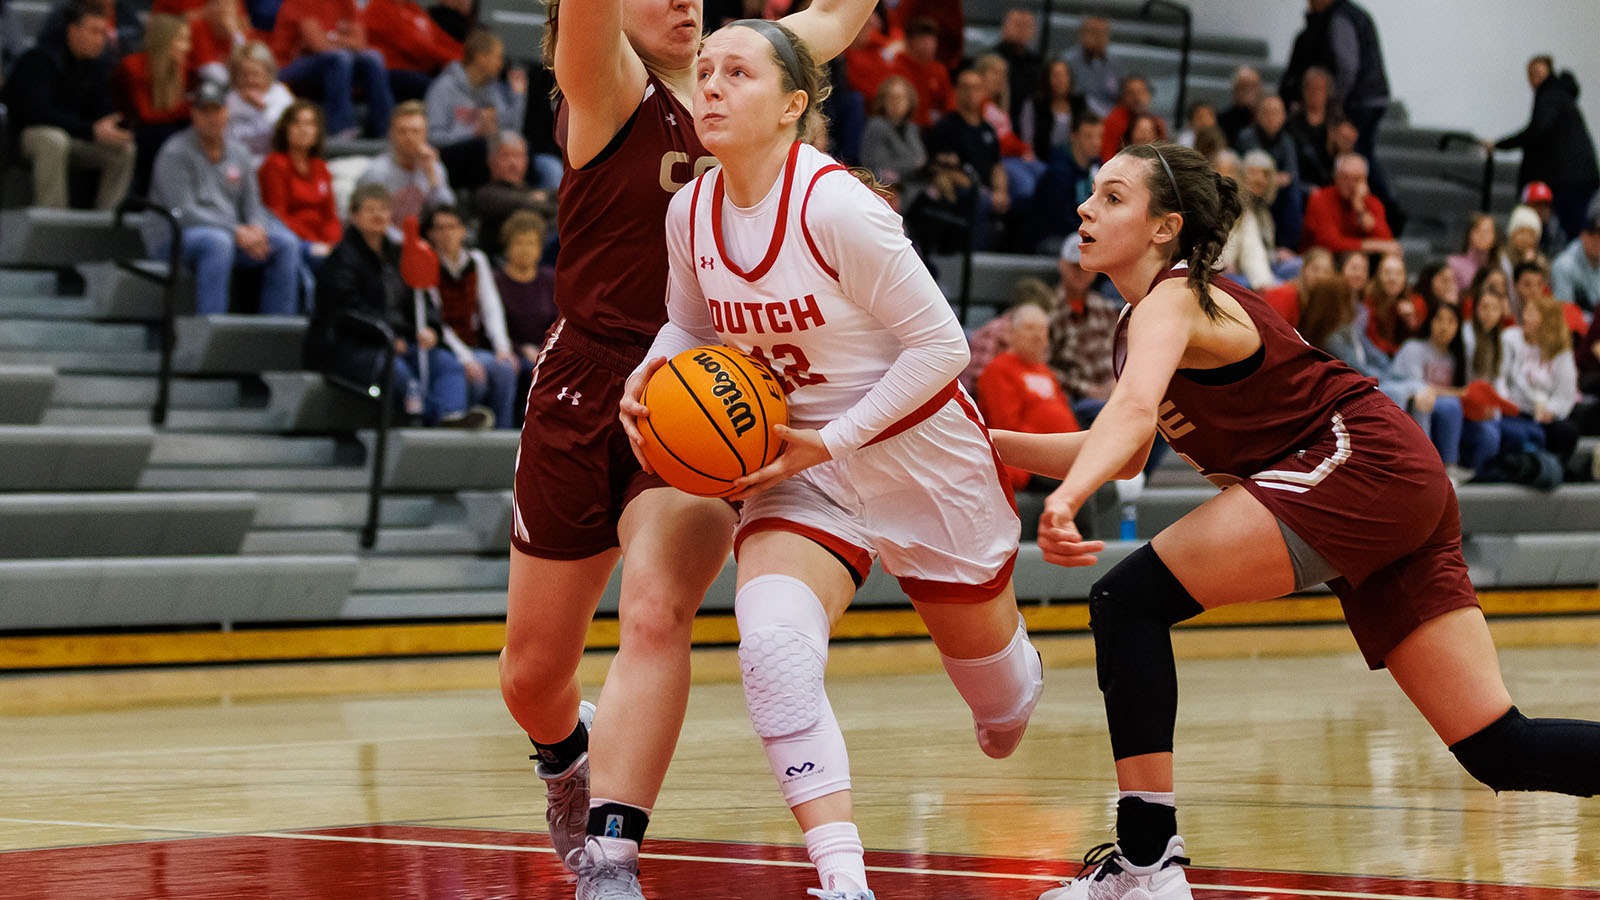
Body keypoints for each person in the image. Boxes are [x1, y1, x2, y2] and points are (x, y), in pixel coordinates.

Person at [988, 140, 1600, 900]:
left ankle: (1148, 861)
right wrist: (985, 444)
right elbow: (1118, 448)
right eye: (1092, 192)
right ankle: (1148, 862)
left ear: (1163, 228)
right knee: (1502, 749)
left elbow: (1131, 420)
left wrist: (1063, 499)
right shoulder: (1146, 324)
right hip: (1391, 484)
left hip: (1360, 461)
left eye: (1113, 196)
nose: (1085, 206)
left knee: (1127, 600)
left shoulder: (1175, 297)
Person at [619, 24, 1042, 899]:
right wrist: (649, 373)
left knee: (1002, 711)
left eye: (738, 72)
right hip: (797, 472)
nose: (712, 87)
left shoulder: (837, 207)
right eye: (704, 72)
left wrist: (836, 436)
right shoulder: (688, 211)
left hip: (921, 464)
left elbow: (942, 347)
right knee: (772, 645)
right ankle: (843, 879)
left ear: (794, 105)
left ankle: (1005, 700)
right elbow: (691, 326)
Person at [503, 3, 874, 899]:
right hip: (585, 384)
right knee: (530, 674)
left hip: (704, 393)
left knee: (658, 611)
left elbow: (835, 14)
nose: (684, 1)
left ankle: (613, 857)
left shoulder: (741, 71)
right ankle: (565, 754)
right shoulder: (608, 85)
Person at [303, 183, 492, 429]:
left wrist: (432, 328)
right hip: (354, 347)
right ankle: (436, 419)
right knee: (400, 374)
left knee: (447, 364)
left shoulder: (399, 254)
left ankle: (452, 416)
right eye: (370, 210)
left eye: (383, 209)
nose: (378, 215)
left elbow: (422, 296)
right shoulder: (341, 259)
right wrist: (387, 335)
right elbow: (344, 310)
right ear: (354, 216)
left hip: (401, 340)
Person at [144, 80, 301, 316]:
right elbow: (183, 211)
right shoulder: (174, 152)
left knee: (286, 244)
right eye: (204, 111)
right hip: (172, 237)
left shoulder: (239, 152)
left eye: (216, 110)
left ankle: (278, 329)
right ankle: (210, 329)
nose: (211, 117)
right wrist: (237, 231)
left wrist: (257, 229)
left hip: (229, 234)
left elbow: (252, 205)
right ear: (193, 114)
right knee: (217, 242)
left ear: (227, 112)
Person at [1, 0, 134, 210]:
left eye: (103, 33)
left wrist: (115, 127)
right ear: (73, 30)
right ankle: (53, 221)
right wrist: (89, 130)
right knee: (54, 139)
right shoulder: (39, 59)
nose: (101, 40)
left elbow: (101, 113)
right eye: (94, 32)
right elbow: (38, 112)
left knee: (123, 150)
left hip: (73, 137)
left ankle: (107, 223)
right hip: (27, 137)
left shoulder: (95, 68)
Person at [420, 204, 520, 430]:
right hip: (447, 348)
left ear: (463, 231)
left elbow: (490, 306)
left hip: (475, 344)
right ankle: (467, 429)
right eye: (440, 228)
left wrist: (502, 347)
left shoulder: (477, 260)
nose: (447, 234)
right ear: (431, 234)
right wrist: (465, 357)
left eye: (452, 227)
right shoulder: (427, 263)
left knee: (504, 368)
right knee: (475, 375)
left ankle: (503, 435)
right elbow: (436, 319)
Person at [1492, 55, 1600, 242]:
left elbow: (1537, 131)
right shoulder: (1561, 95)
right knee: (1572, 227)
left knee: (1573, 229)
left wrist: (1500, 144)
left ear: (1549, 72)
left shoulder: (1550, 95)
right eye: (1531, 74)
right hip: (1578, 175)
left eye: (1539, 73)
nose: (1535, 79)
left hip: (1568, 177)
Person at [978, 301, 1080, 491]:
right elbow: (1006, 425)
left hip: (1063, 455)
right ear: (1011, 333)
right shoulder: (999, 369)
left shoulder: (1045, 371)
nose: (1038, 336)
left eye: (1043, 330)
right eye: (1030, 328)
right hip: (1033, 462)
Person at [1381, 302, 1480, 481]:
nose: (1444, 326)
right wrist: (1459, 393)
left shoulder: (1454, 357)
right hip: (1407, 403)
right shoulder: (1414, 347)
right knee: (1450, 405)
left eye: (1451, 322)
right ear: (1430, 322)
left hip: (1436, 407)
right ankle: (1441, 465)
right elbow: (1417, 387)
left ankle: (1454, 466)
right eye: (1439, 319)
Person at [270, 0, 394, 138]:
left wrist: (330, 36)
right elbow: (318, 45)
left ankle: (383, 128)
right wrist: (343, 38)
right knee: (340, 58)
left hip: (332, 66)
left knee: (373, 57)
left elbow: (360, 43)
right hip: (290, 68)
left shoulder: (347, 3)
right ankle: (340, 127)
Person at [424, 28, 528, 191]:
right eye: (497, 57)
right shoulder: (444, 88)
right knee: (482, 148)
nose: (501, 64)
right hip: (448, 155)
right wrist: (473, 132)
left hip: (482, 151)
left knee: (521, 151)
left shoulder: (492, 88)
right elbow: (433, 137)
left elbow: (511, 132)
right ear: (481, 58)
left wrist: (518, 96)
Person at [258, 99, 342, 274]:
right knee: (325, 260)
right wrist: (314, 241)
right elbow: (277, 216)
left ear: (317, 132)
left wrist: (332, 241)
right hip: (293, 241)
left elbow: (330, 215)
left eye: (310, 124)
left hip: (322, 241)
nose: (303, 129)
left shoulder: (320, 167)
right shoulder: (274, 165)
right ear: (286, 129)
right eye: (297, 123)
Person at [115, 13, 193, 196]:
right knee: (161, 134)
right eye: (181, 40)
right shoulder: (133, 66)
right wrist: (190, 109)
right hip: (127, 131)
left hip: (154, 131)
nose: (187, 47)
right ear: (164, 40)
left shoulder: (179, 68)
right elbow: (146, 114)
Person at [1050, 234, 1123, 424]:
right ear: (1062, 265)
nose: (1080, 272)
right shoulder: (1049, 309)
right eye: (1074, 266)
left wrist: (1116, 382)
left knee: (1154, 416)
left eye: (1085, 267)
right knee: (1117, 417)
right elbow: (1042, 366)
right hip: (1075, 397)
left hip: (1111, 390)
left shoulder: (1104, 307)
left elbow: (1121, 352)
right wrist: (1086, 388)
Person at [357, 100, 457, 233]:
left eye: (416, 132)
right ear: (391, 134)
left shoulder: (433, 167)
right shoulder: (376, 172)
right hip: (387, 242)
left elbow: (447, 213)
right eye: (402, 131)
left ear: (425, 135)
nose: (409, 137)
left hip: (425, 240)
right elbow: (371, 222)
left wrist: (432, 174)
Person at [471, 131, 556, 262]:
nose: (513, 163)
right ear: (491, 160)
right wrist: (545, 204)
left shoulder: (537, 192)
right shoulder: (486, 194)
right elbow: (525, 205)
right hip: (503, 264)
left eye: (518, 156)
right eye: (506, 156)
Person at [1301, 153, 1399, 256]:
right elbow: (1328, 243)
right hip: (1321, 260)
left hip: (1359, 262)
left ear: (1365, 181)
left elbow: (1387, 242)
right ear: (1336, 177)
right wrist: (1372, 245)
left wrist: (1361, 211)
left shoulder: (1372, 203)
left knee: (1390, 259)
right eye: (1345, 177)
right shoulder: (1320, 199)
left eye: (1356, 179)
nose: (1350, 184)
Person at [363, 0, 462, 101]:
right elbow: (416, 47)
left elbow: (441, 38)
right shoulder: (380, 8)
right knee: (444, 89)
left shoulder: (412, 8)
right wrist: (463, 60)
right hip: (391, 72)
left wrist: (467, 54)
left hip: (420, 70)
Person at [224, 40, 295, 164]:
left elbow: (286, 138)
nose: (250, 80)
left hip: (272, 164)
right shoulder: (228, 100)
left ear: (268, 73)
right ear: (235, 76)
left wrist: (262, 108)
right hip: (237, 165)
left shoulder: (281, 96)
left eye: (255, 74)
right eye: (244, 75)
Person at [858, 75, 925, 191]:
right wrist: (913, 164)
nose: (896, 103)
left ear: (910, 101)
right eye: (891, 98)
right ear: (882, 101)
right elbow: (880, 166)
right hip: (885, 187)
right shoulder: (876, 126)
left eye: (900, 98)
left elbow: (922, 159)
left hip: (910, 184)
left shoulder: (911, 128)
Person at [1019, 59, 1084, 165]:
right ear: (1047, 79)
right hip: (1042, 159)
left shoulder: (1079, 103)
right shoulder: (1034, 104)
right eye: (1056, 75)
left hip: (1073, 159)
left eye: (1064, 75)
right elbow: (1027, 139)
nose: (1061, 80)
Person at [891, 17, 950, 128]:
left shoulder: (939, 70)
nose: (929, 45)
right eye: (923, 40)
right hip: (904, 125)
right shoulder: (898, 67)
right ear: (910, 42)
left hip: (934, 129)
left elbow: (948, 103)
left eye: (932, 40)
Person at [1062, 14, 1120, 119]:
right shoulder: (1067, 63)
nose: (1099, 38)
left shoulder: (1115, 65)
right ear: (1081, 34)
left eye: (1104, 33)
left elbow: (1120, 97)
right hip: (1076, 117)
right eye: (1094, 32)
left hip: (1109, 120)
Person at [991, 7, 1041, 125]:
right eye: (1017, 24)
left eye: (1027, 25)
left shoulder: (1037, 62)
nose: (1022, 29)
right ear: (1004, 26)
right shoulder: (991, 58)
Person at [1446, 212, 1509, 303]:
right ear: (1470, 234)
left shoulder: (1502, 264)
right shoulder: (1453, 263)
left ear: (1495, 237)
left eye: (1487, 232)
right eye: (1477, 231)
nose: (1482, 235)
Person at [1550, 213, 1600, 318]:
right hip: (1574, 330)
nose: (1597, 242)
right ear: (1583, 235)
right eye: (1593, 236)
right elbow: (1564, 311)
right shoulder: (1564, 265)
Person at [1216, 65, 1260, 148]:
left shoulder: (1263, 117)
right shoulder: (1222, 118)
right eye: (1244, 85)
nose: (1249, 90)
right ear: (1235, 88)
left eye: (1253, 85)